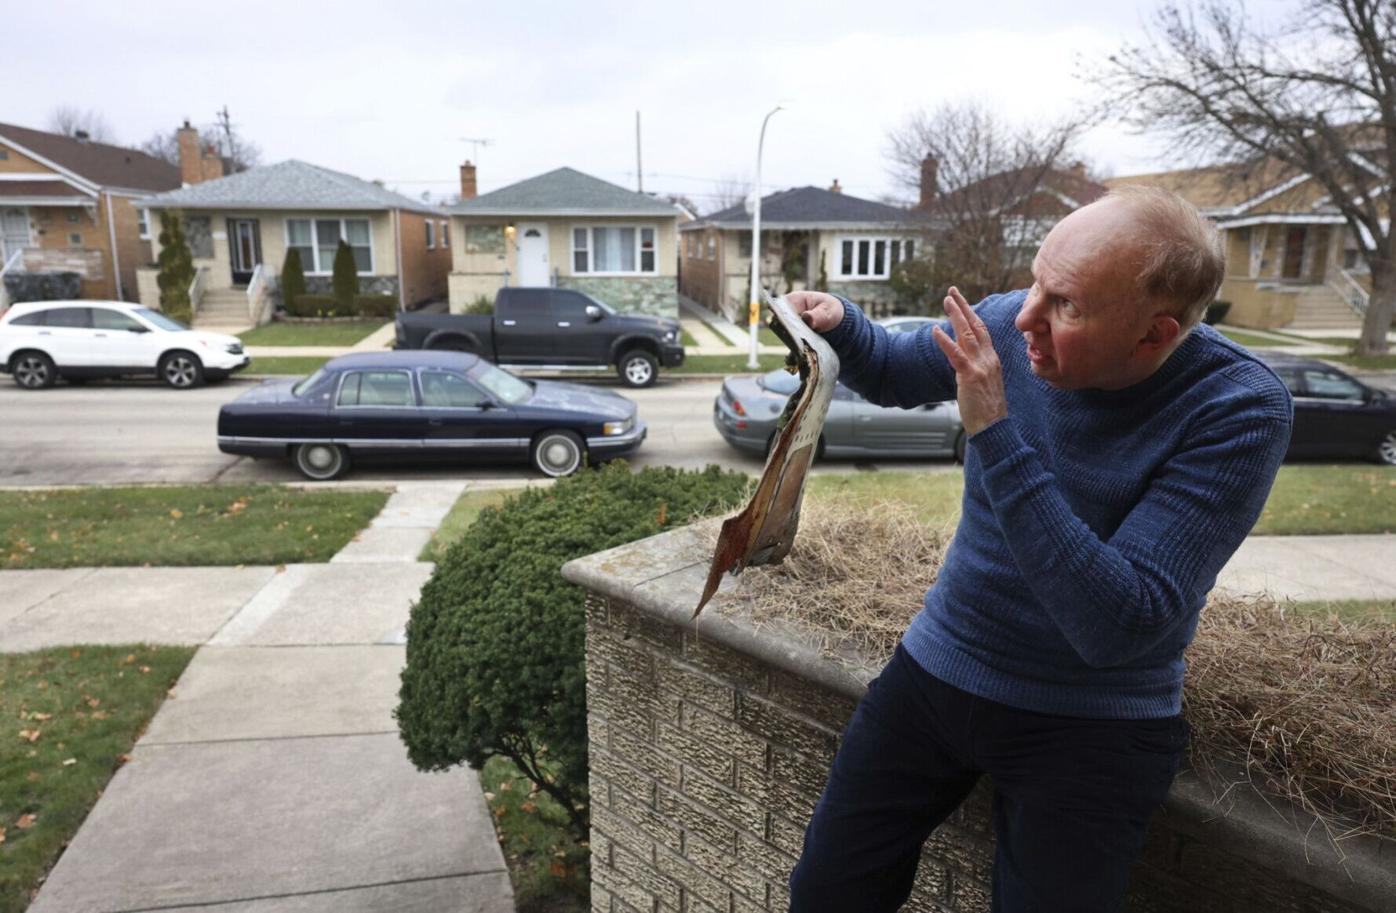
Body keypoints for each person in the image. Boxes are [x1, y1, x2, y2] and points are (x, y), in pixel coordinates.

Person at [784, 185, 1292, 912]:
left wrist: (995, 431)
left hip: (1093, 723)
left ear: (1155, 334)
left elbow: (1117, 621)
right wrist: (842, 324)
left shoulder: (1237, 406)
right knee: (826, 894)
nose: (1025, 317)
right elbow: (898, 369)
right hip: (937, 672)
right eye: (1036, 282)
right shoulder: (1010, 325)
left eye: (1068, 305)